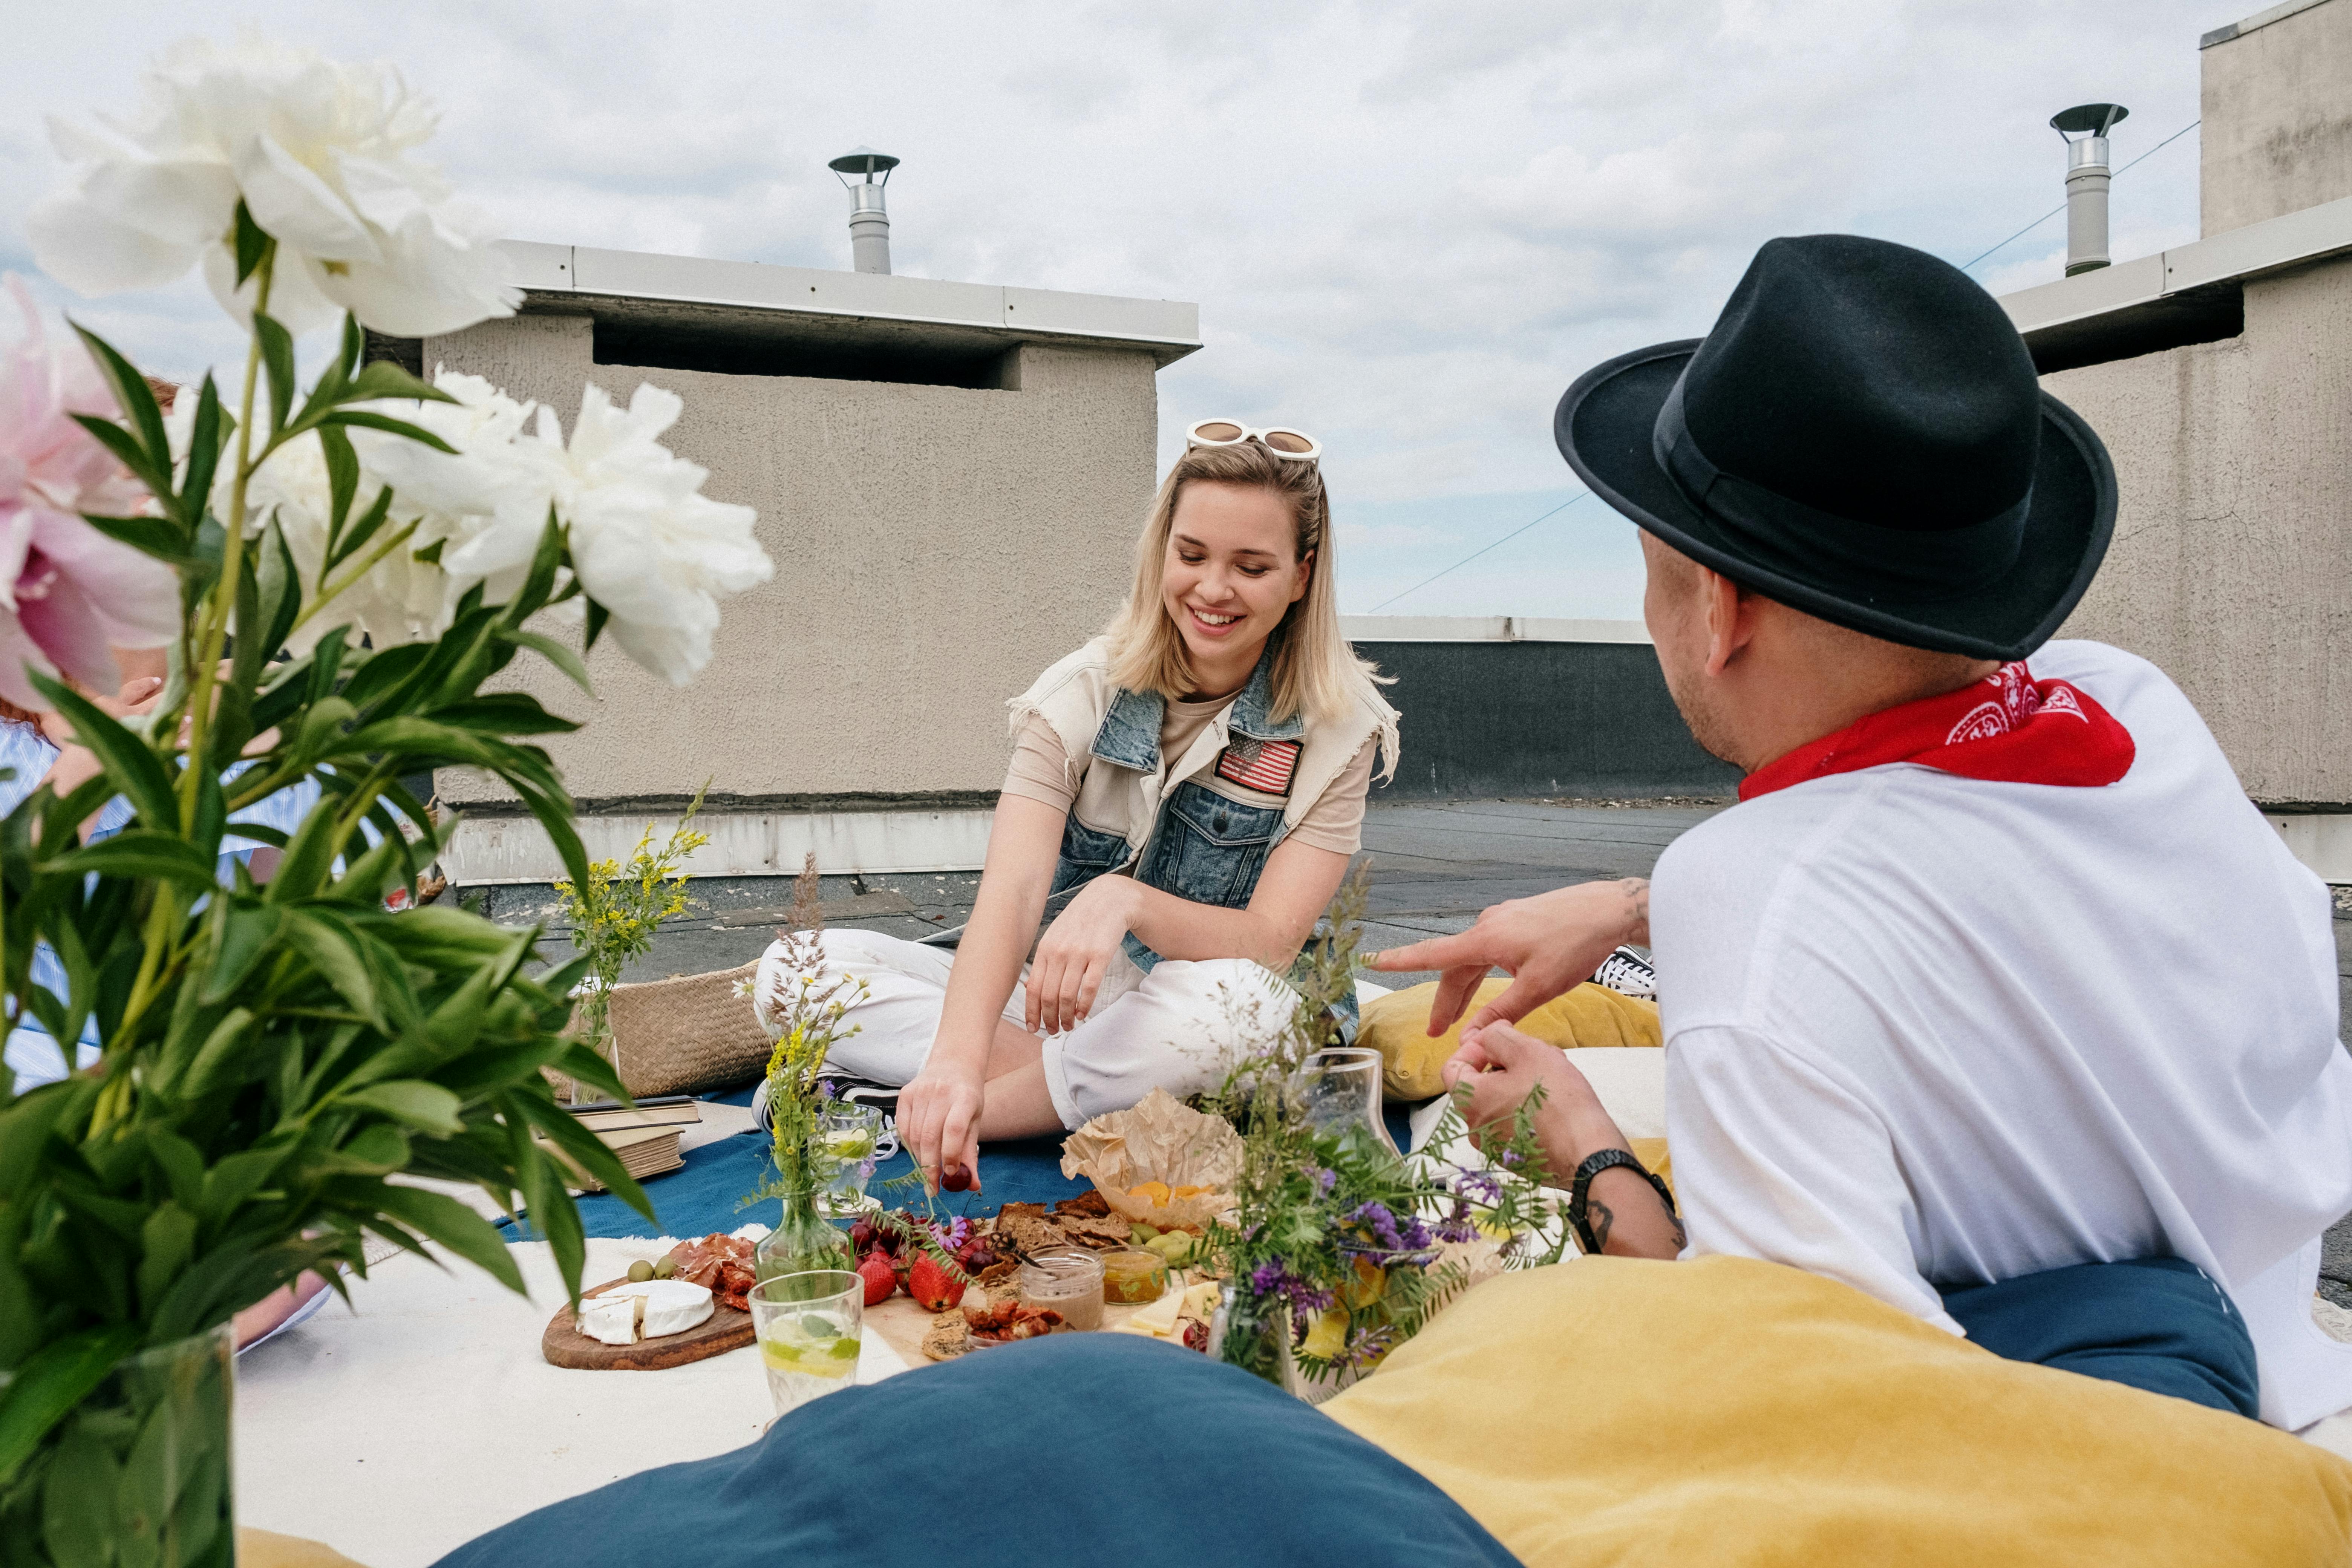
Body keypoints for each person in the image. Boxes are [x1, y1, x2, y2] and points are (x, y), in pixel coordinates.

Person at [1372, 234, 2352, 1431]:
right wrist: (1632, 912)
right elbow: (1974, 888)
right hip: (2286, 1351)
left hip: (2149, 1466)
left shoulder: (1761, 905)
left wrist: (1582, 1151)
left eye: (1652, 573)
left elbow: (1834, 1413)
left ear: (1720, 610)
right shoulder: (2128, 704)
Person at [757, 426, 1398, 1190]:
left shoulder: (1341, 725)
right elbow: (1014, 891)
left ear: (1302, 574)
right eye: (1191, 555)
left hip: (1209, 1013)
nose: (1213, 588)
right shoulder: (1080, 691)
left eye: (1251, 566)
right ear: (1162, 550)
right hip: (1066, 1015)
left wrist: (1122, 899)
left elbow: (1268, 942)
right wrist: (959, 1058)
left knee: (1247, 1013)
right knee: (790, 975)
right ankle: (1092, 1102)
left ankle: (938, 1107)